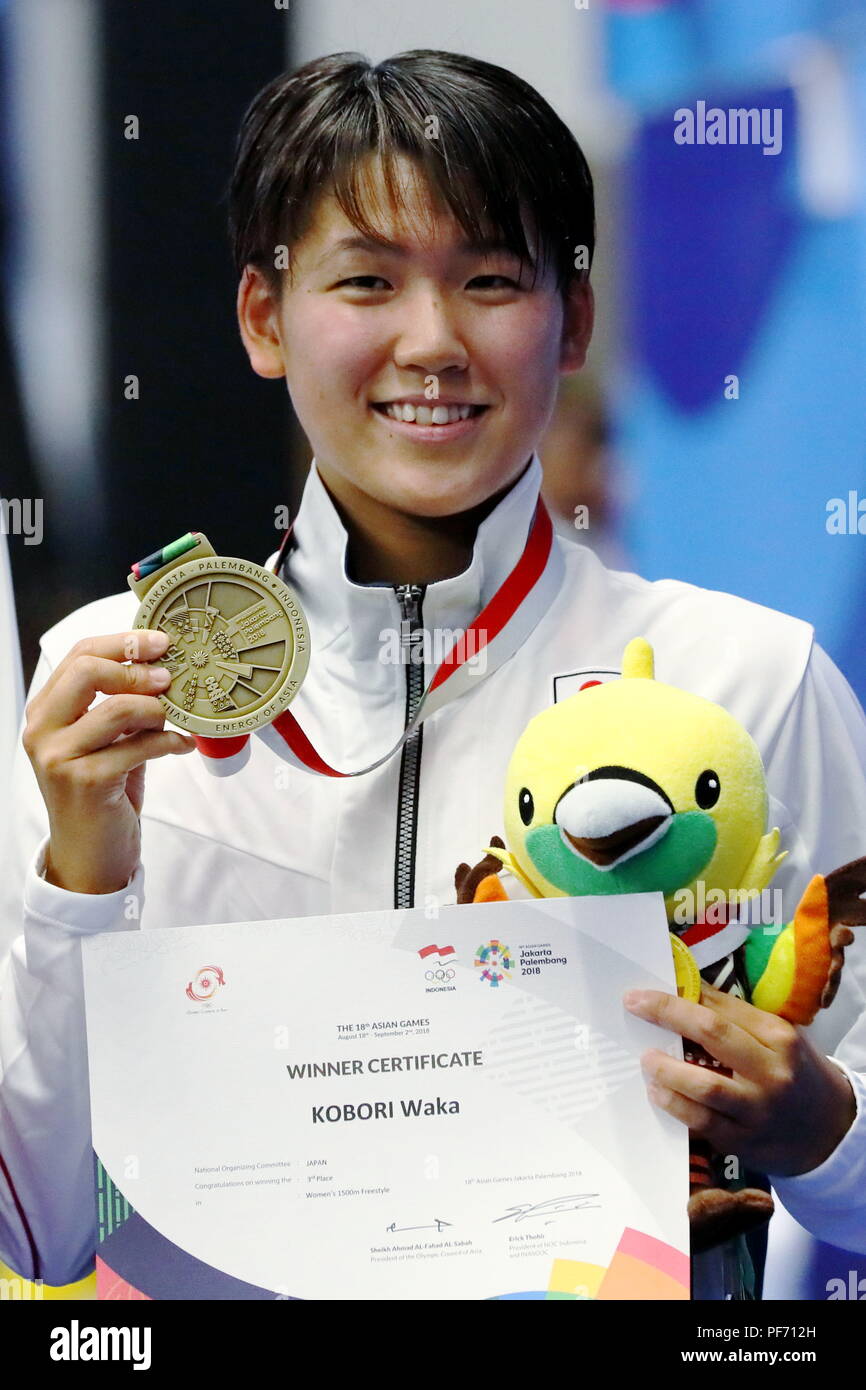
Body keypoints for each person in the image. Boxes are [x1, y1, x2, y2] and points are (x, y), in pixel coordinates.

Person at [1, 49, 865, 1300]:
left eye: (489, 281)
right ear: (261, 317)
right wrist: (81, 878)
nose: (432, 341)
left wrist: (817, 1130)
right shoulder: (109, 690)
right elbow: (36, 1236)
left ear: (570, 320)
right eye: (365, 281)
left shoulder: (745, 677)